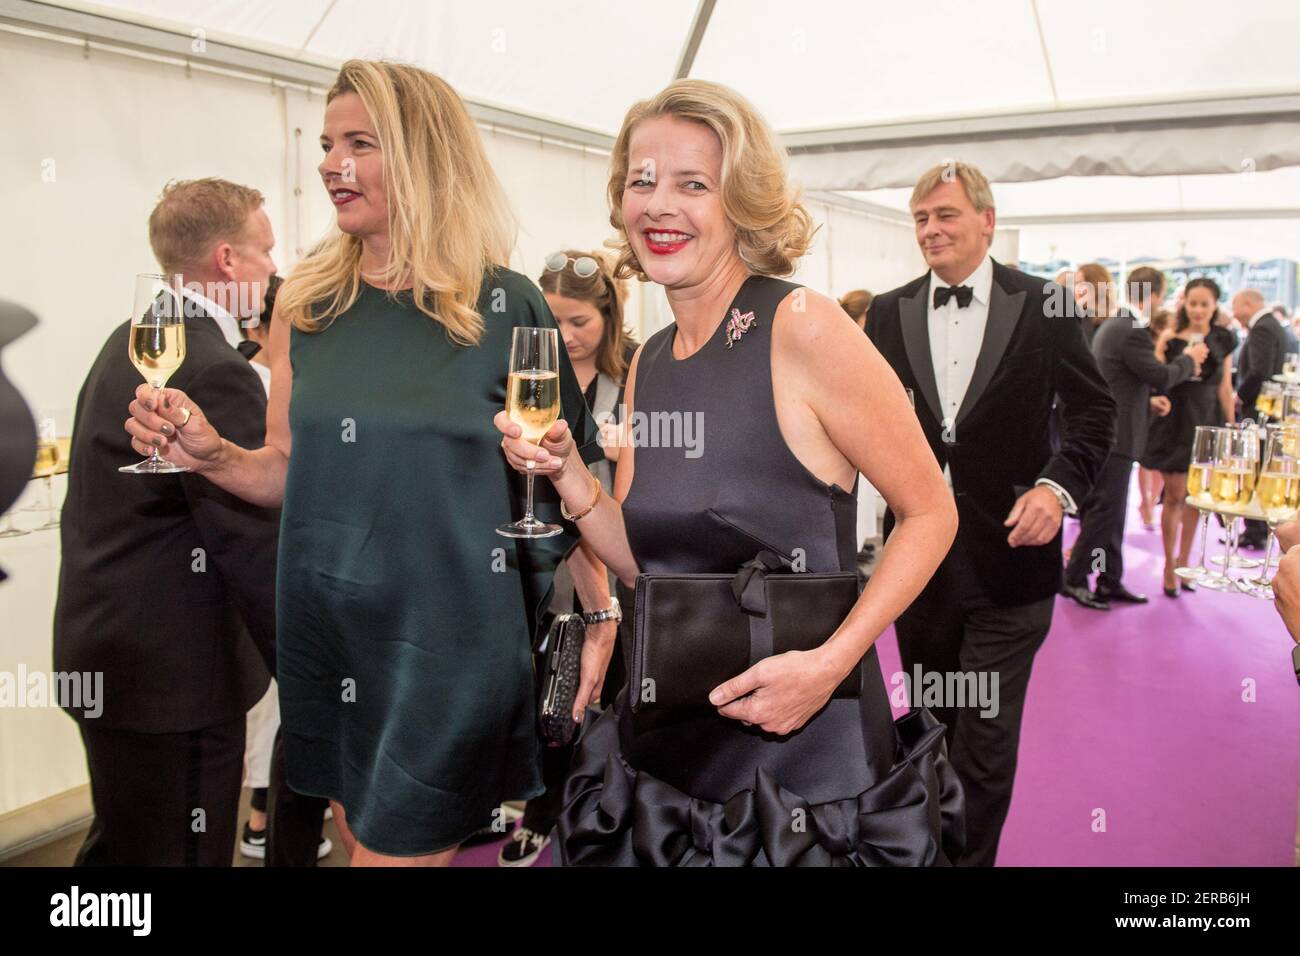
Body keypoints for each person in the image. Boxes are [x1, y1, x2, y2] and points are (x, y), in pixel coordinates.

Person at [125, 60, 613, 866]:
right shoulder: (308, 302)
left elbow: (565, 475)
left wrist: (597, 610)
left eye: (360, 142)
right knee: (362, 831)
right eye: (325, 143)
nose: (328, 164)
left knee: (393, 848)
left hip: (448, 643)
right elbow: (285, 468)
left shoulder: (503, 302)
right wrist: (212, 457)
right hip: (331, 636)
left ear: (423, 157)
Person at [497, 79, 964, 866]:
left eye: (692, 184)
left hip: (802, 766)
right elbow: (650, 566)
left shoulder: (802, 327)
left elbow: (931, 513)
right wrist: (571, 473)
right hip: (671, 748)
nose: (658, 205)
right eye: (641, 181)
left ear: (742, 201)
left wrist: (831, 663)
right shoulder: (651, 360)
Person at [868, 161, 1115, 866]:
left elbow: (1095, 411)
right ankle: (924, 852)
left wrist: (1057, 488)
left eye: (945, 215)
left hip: (1011, 561)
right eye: (919, 218)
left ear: (986, 220)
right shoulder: (889, 310)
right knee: (927, 724)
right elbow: (867, 419)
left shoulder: (1048, 303)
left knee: (983, 735)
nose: (931, 230)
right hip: (920, 565)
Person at [54, 178, 279, 865]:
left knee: (122, 850)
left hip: (103, 650)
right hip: (175, 678)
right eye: (265, 251)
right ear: (227, 261)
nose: (274, 267)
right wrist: (312, 659)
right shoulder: (213, 368)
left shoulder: (127, 338)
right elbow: (248, 540)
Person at [498, 249, 634, 867]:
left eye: (579, 322)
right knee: (552, 688)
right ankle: (538, 805)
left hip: (614, 557)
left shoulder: (633, 374)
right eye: (555, 321)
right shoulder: (526, 375)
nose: (567, 335)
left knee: (605, 695)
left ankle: (598, 807)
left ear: (608, 317)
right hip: (544, 560)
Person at [1061, 264, 1203, 610]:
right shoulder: (1130, 329)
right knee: (1103, 514)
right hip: (1115, 436)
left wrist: (1148, 401)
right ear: (1154, 295)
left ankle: (1109, 580)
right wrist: (1189, 359)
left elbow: (1120, 382)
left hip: (1113, 432)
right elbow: (1161, 374)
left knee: (1111, 515)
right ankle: (1074, 579)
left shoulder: (1117, 326)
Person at [1141, 278, 1237, 595]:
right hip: (1174, 421)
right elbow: (1156, 380)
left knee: (1197, 498)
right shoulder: (1169, 338)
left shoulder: (1223, 339)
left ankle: (1186, 561)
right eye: (1192, 303)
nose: (1197, 310)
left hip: (1208, 420)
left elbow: (1225, 387)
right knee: (1174, 496)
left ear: (1214, 306)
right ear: (1184, 304)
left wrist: (1232, 426)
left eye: (1204, 304)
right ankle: (1169, 564)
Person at [1233, 287, 1296, 549]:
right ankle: (1257, 530)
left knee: (1255, 468)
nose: (1235, 314)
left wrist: (1240, 396)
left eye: (1236, 308)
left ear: (1248, 304)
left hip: (1259, 411)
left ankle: (1254, 530)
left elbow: (1258, 371)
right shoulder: (1276, 326)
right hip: (1269, 411)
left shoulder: (1262, 328)